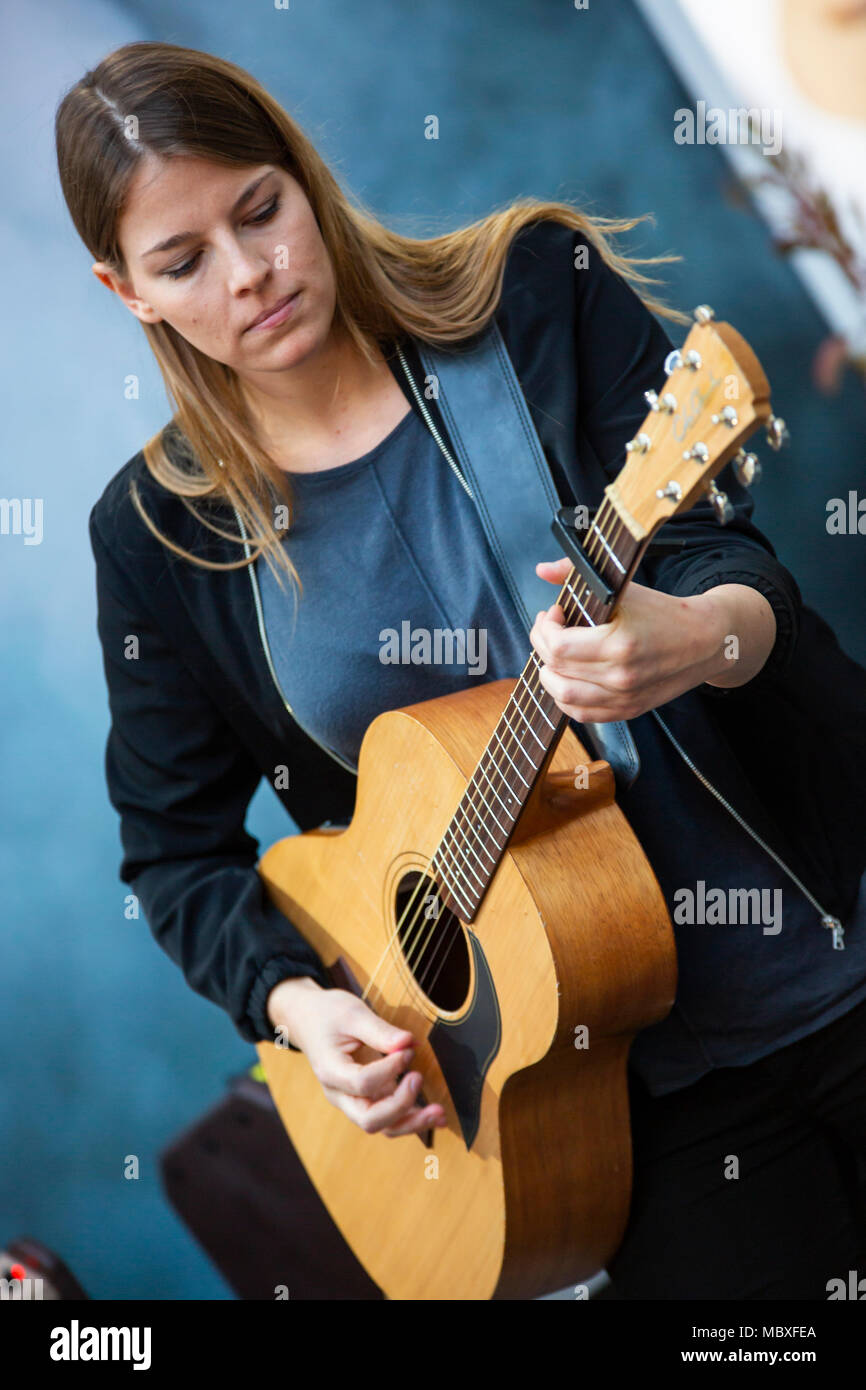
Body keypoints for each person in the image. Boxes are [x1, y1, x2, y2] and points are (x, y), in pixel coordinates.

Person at [57, 41, 866, 1299]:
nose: (251, 273)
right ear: (130, 294)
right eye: (183, 262)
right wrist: (295, 1006)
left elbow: (727, 562)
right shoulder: (159, 537)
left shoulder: (531, 292)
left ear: (301, 172)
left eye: (260, 210)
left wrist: (695, 635)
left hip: (827, 920)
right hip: (605, 1107)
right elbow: (175, 854)